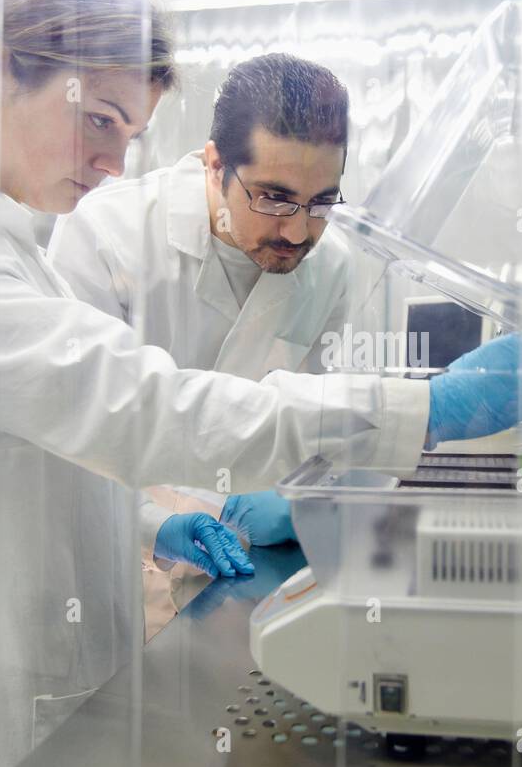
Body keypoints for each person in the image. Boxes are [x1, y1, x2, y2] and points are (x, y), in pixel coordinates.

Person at [0, 0, 522, 767]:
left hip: (46, 679)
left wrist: (148, 523)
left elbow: (52, 435)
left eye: (128, 135)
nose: (112, 164)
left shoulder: (4, 241)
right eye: (98, 119)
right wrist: (424, 409)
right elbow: (131, 403)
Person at [49, 54, 356, 573]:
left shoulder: (331, 264)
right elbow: (67, 428)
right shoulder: (106, 235)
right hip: (118, 559)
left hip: (252, 567)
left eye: (321, 203)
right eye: (275, 200)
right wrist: (153, 525)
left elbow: (318, 422)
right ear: (215, 166)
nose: (298, 233)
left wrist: (305, 493)